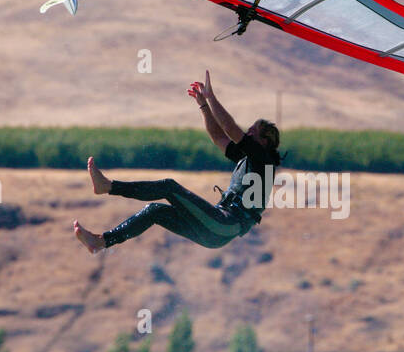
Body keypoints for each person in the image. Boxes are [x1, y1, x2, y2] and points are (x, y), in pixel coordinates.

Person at [74, 70, 281, 253]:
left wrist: (211, 97)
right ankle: (101, 242)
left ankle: (109, 187)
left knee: (169, 187)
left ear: (265, 142)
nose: (249, 130)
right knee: (155, 211)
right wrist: (203, 106)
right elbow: (219, 137)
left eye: (254, 130)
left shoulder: (264, 161)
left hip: (224, 224)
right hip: (215, 229)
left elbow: (230, 128)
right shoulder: (249, 160)